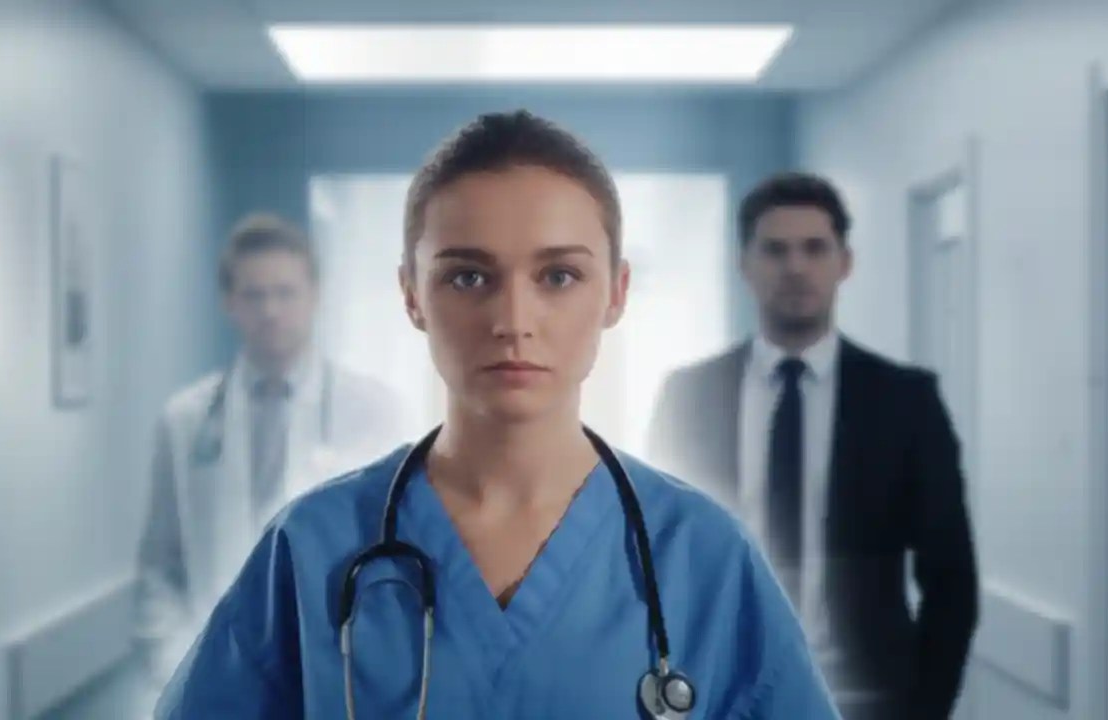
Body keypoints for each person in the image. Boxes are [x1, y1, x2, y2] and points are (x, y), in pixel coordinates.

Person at [153, 112, 840, 719]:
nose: (514, 321)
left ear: (616, 292)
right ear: (412, 294)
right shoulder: (313, 549)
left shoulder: (702, 555)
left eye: (559, 276)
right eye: (469, 277)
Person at [647, 173, 979, 720]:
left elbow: (951, 581)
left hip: (863, 700)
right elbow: (657, 559)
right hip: (719, 692)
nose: (795, 267)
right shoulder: (689, 395)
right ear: (744, 264)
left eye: (814, 249)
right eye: (775, 250)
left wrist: (925, 712)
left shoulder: (907, 401)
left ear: (844, 262)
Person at [133, 213, 403, 699]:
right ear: (228, 302)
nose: (271, 310)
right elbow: (160, 565)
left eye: (285, 292)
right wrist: (178, 666)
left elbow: (393, 559)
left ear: (314, 295)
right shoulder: (186, 420)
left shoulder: (374, 411)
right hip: (211, 677)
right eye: (254, 295)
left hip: (331, 678)